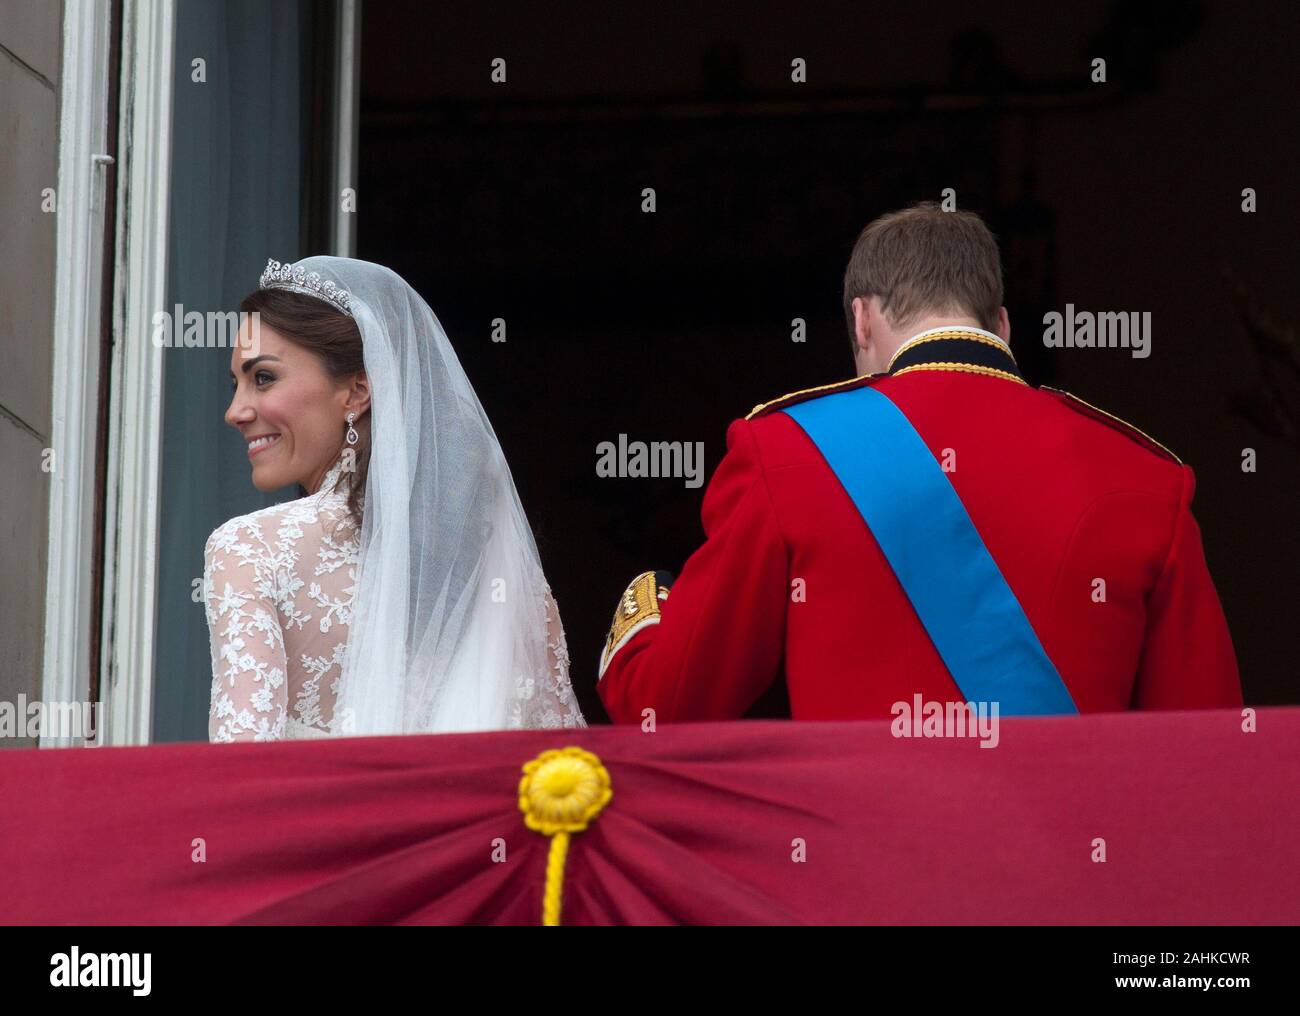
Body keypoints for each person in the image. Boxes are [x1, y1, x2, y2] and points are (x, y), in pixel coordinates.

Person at [596, 203, 1242, 722]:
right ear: (1003, 324)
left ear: (863, 319)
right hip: (1070, 878)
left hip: (866, 877)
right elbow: (1206, 758)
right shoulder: (1146, 474)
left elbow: (666, 706)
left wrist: (647, 604)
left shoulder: (786, 449)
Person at [205, 256, 585, 741]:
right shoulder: (507, 581)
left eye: (263, 378)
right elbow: (563, 767)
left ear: (357, 390)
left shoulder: (248, 549)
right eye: (235, 383)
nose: (235, 411)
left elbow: (241, 772)